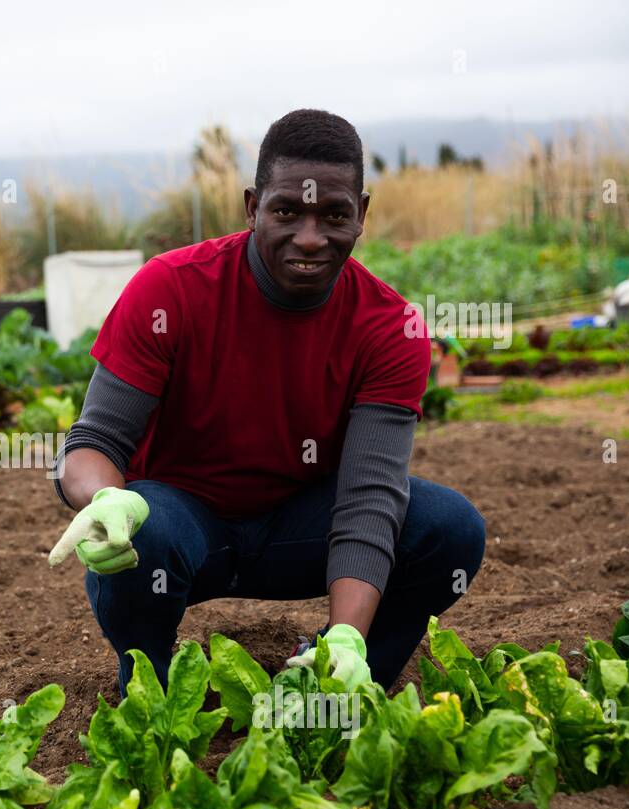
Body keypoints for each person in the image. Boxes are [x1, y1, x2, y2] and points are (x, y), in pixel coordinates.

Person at [48, 109, 486, 697]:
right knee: (138, 532)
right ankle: (147, 691)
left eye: (334, 214)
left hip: (299, 529)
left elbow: (369, 497)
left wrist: (348, 632)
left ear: (363, 214)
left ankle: (345, 674)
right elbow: (94, 441)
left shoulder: (390, 328)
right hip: (182, 527)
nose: (310, 238)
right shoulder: (171, 289)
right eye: (287, 212)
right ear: (253, 207)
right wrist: (104, 498)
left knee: (448, 529)